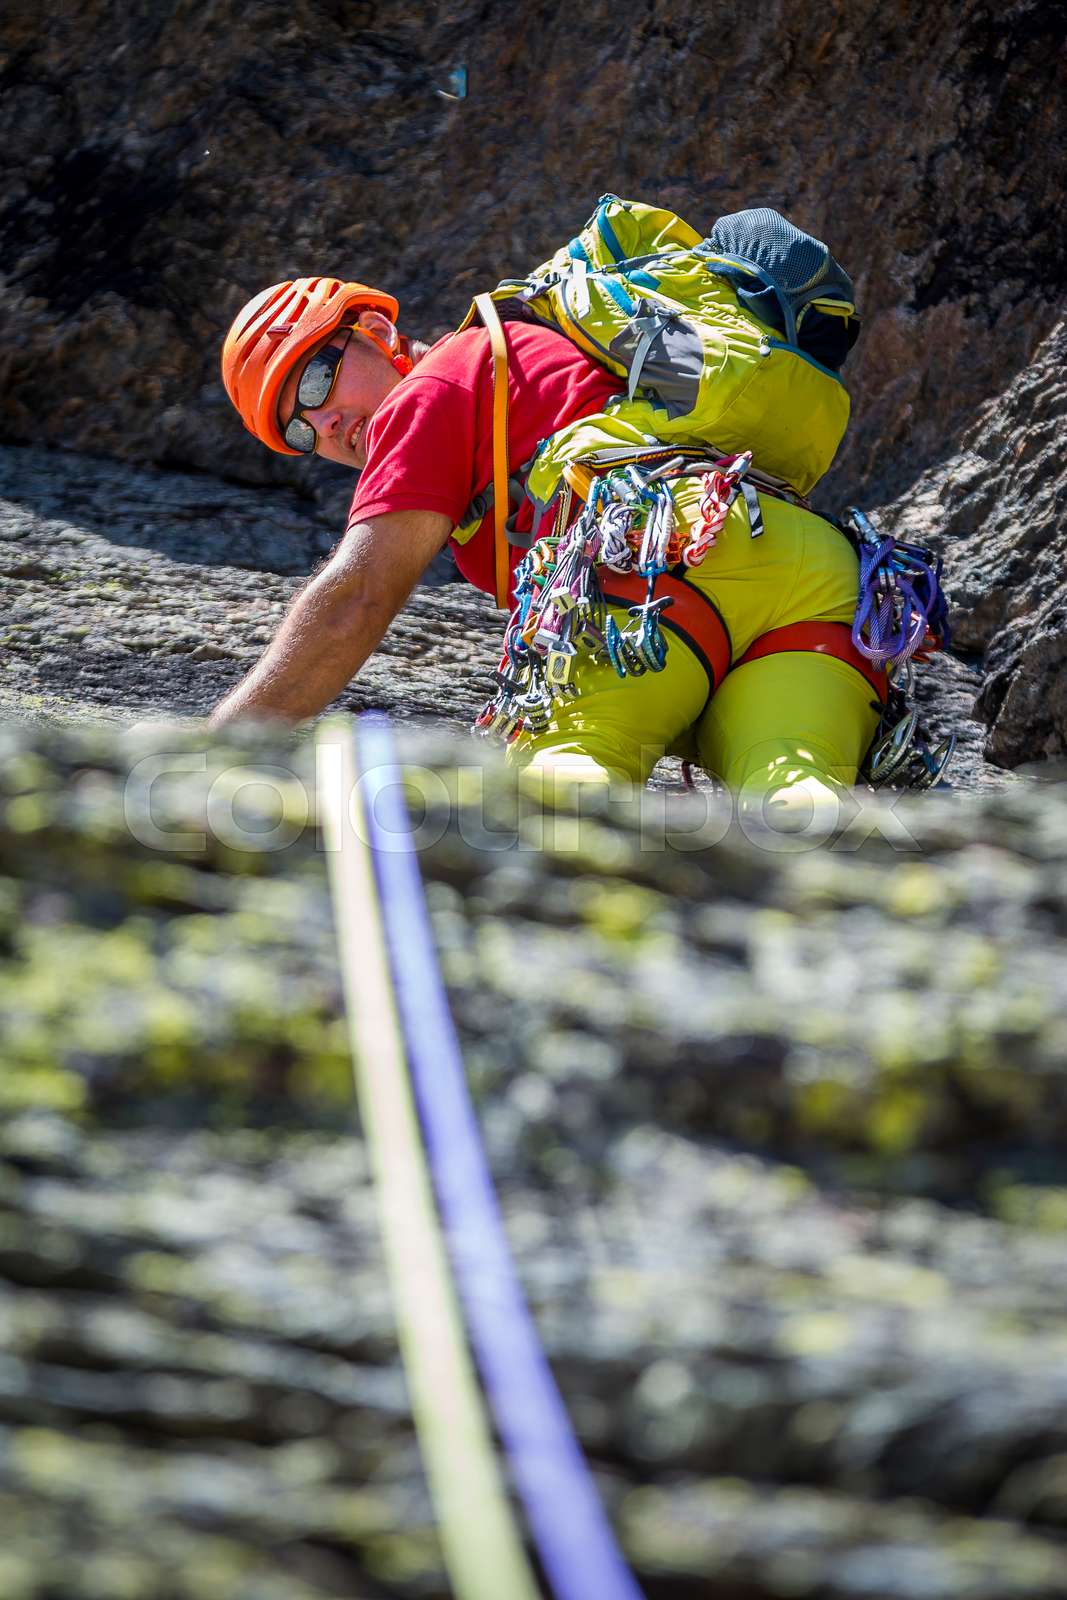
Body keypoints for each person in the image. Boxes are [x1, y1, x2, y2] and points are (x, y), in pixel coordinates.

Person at [215, 273, 884, 828]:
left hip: (655, 560)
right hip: (810, 573)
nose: (324, 424)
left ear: (377, 334)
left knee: (560, 793)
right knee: (799, 800)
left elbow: (355, 600)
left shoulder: (434, 387)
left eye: (312, 382)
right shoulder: (524, 379)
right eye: (298, 433)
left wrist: (216, 753)